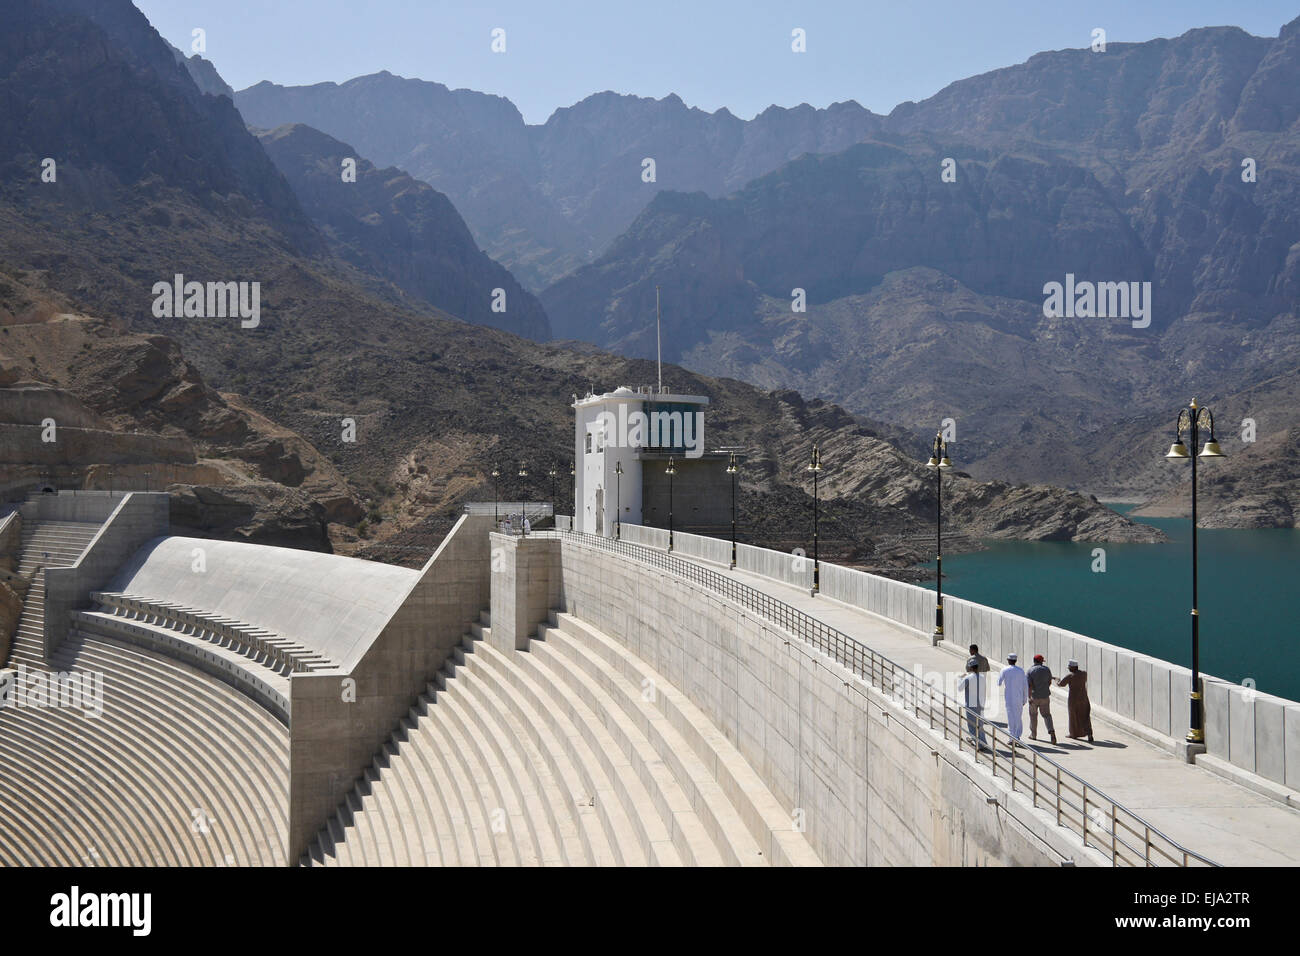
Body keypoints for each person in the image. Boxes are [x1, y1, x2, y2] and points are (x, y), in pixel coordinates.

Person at [1057, 660, 1094, 743]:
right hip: (1084, 699)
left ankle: (1073, 734)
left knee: (1073, 716)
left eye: (1069, 667)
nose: (1069, 668)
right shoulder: (1084, 674)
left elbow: (1061, 684)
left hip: (1073, 700)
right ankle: (1089, 733)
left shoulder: (1070, 676)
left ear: (1073, 667)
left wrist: (1057, 680)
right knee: (1086, 716)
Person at [1026, 653, 1057, 744]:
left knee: (1033, 716)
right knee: (1047, 715)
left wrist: (1029, 697)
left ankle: (1033, 734)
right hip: (1045, 696)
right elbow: (1049, 682)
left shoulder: (1030, 671)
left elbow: (1029, 685)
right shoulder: (1046, 669)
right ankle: (1051, 732)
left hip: (1034, 697)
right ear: (1041, 662)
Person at [956, 660, 988, 749]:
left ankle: (978, 744)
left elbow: (960, 688)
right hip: (980, 703)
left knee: (972, 724)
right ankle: (983, 742)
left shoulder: (968, 678)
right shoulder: (982, 677)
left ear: (970, 668)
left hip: (971, 704)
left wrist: (959, 678)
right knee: (980, 724)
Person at [997, 652, 1028, 741]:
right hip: (1019, 698)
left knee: (1010, 717)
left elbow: (998, 682)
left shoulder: (1004, 670)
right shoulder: (1021, 671)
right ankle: (1017, 736)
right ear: (1016, 660)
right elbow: (1025, 686)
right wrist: (1024, 699)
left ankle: (1011, 737)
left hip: (1009, 698)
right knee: (1018, 717)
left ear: (1008, 660)